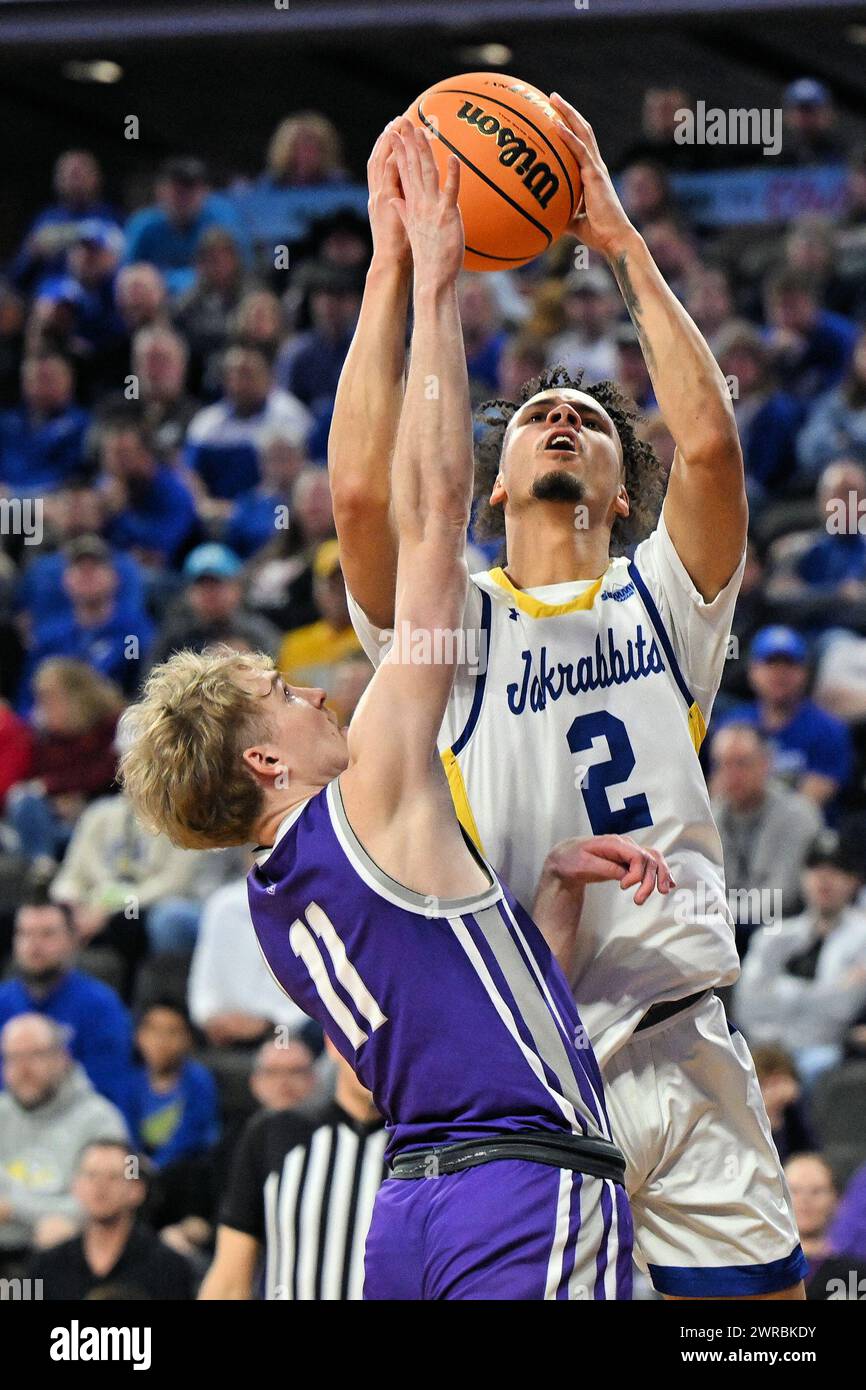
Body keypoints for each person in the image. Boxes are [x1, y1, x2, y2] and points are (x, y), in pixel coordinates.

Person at [118, 125, 678, 1301]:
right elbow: (425, 514)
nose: (316, 688)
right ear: (265, 759)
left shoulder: (273, 905)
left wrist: (543, 903)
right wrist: (429, 278)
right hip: (524, 1192)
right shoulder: (368, 783)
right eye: (284, 694)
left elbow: (401, 1059)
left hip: (406, 1217)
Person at [329, 105, 806, 1300]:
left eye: (588, 421)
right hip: (523, 1068)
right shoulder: (452, 622)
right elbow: (357, 497)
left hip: (684, 1042)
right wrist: (393, 267)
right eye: (538, 413)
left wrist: (617, 239)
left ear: (614, 484)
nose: (559, 418)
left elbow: (707, 454)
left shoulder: (664, 603)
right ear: (490, 487)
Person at [200, 1039, 386, 1300]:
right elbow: (230, 1280)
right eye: (364, 1038)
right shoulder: (273, 1134)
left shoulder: (431, 1145)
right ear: (332, 1042)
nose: (378, 1057)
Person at [734, 836, 866, 1087]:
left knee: (816, 1065)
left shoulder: (863, 936)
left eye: (836, 869)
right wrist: (823, 992)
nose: (824, 878)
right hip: (765, 1050)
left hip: (823, 1054)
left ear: (853, 881)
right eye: (816, 868)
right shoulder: (774, 934)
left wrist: (779, 991)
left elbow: (841, 1010)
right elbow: (747, 1005)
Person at [0, 1015, 128, 1270]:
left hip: (61, 1256)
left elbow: (125, 1194)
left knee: (56, 1237)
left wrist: (14, 1209)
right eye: (13, 1057)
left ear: (63, 1058)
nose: (23, 1069)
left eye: (35, 1055)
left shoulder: (103, 1121)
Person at [0, 898, 132, 1107]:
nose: (34, 944)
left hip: (78, 1125)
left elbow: (108, 1090)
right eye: (24, 933)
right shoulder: (3, 1002)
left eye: (47, 934)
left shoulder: (100, 1006)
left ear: (72, 940)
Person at [28, 1138, 194, 1300]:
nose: (101, 1186)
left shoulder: (168, 1267)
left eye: (113, 1177)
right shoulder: (47, 1265)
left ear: (136, 1189)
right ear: (76, 1186)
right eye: (91, 1175)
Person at [719, 626, 853, 810]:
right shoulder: (732, 725)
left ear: (805, 672)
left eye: (789, 664)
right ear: (753, 671)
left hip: (804, 832)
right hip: (737, 830)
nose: (779, 674)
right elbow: (717, 792)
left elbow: (809, 804)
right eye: (771, 664)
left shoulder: (828, 729)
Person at [710, 722, 822, 935]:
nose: (732, 774)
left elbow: (781, 899)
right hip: (723, 930)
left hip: (781, 932)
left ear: (766, 763)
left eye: (741, 764)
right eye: (723, 764)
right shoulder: (711, 815)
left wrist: (710, 913)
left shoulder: (798, 815)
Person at [187, 875, 310, 1046]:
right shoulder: (223, 904)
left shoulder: (309, 903)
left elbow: (316, 989)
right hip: (224, 1026)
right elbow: (204, 984)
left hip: (288, 1028)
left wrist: (270, 1022)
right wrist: (212, 1018)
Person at [149, 543, 281, 667]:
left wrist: (252, 664)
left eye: (218, 585)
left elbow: (283, 679)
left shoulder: (259, 633)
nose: (210, 593)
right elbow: (149, 685)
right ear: (189, 593)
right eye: (202, 586)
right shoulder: (174, 638)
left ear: (237, 588)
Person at [125, 1001, 219, 1169]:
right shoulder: (130, 1083)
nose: (161, 1041)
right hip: (140, 1171)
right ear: (138, 1036)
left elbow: (190, 1135)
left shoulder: (199, 1082)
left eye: (172, 1032)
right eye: (153, 1030)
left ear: (188, 1039)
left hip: (187, 1171)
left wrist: (155, 1167)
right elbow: (127, 1134)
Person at [0, 352, 89, 497]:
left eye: (48, 378)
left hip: (53, 507)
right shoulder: (7, 422)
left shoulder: (82, 425)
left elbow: (75, 479)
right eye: (34, 379)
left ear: (69, 379)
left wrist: (16, 495)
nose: (40, 386)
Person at [276, 540, 361, 690]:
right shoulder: (293, 646)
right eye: (333, 585)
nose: (342, 594)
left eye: (346, 584)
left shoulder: (376, 639)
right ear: (317, 590)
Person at [784, 1154, 866, 1300]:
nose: (805, 1199)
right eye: (794, 1190)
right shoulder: (758, 1273)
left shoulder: (857, 1276)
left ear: (837, 1199)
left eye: (817, 1191)